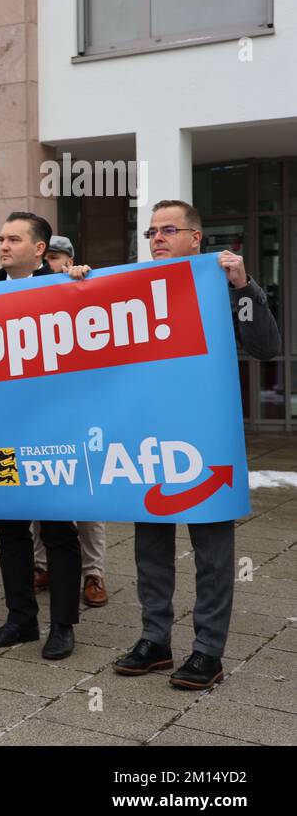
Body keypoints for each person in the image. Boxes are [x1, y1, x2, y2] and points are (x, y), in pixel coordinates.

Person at [107, 200, 280, 689]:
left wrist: (243, 286)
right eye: (151, 232)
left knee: (212, 550)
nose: (157, 238)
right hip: (150, 436)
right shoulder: (132, 290)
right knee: (151, 547)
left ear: (196, 238)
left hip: (206, 437)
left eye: (169, 230)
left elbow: (266, 347)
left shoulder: (224, 285)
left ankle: (208, 652)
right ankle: (155, 640)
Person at [0, 211, 82, 660]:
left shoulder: (66, 288)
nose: (3, 245)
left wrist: (84, 282)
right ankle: (20, 618)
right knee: (9, 529)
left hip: (51, 434)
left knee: (58, 529)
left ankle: (62, 625)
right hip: (1, 433)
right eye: (1, 238)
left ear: (39, 249)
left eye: (14, 239)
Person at [31, 235, 109, 608]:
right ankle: (42, 564)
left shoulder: (83, 286)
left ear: (72, 260)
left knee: (87, 498)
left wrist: (82, 280)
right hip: (36, 411)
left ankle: (93, 573)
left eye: (59, 258)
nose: (53, 265)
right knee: (34, 494)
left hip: (80, 410)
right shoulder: (23, 287)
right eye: (48, 259)